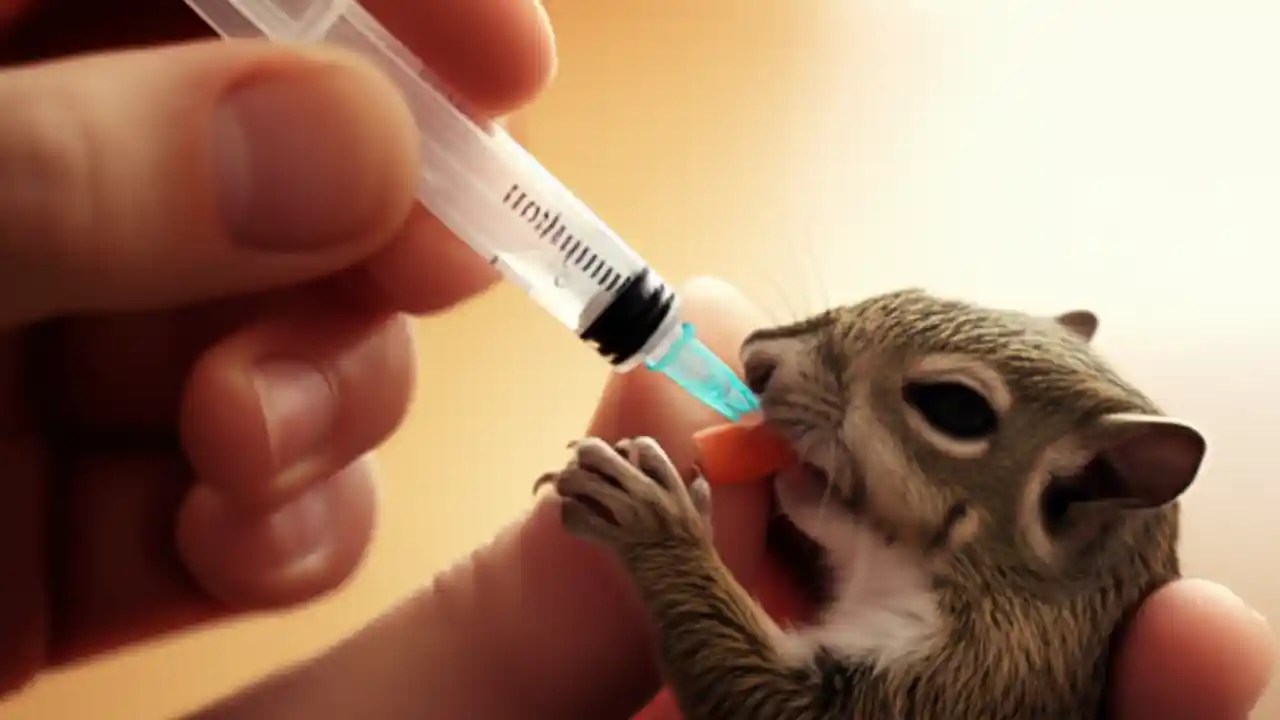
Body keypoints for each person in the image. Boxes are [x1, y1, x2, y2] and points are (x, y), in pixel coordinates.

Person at [0, 1, 1272, 718]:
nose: (767, 368)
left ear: (1067, 500)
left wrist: (670, 553)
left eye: (939, 409)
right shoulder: (927, 579)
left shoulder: (973, 668)